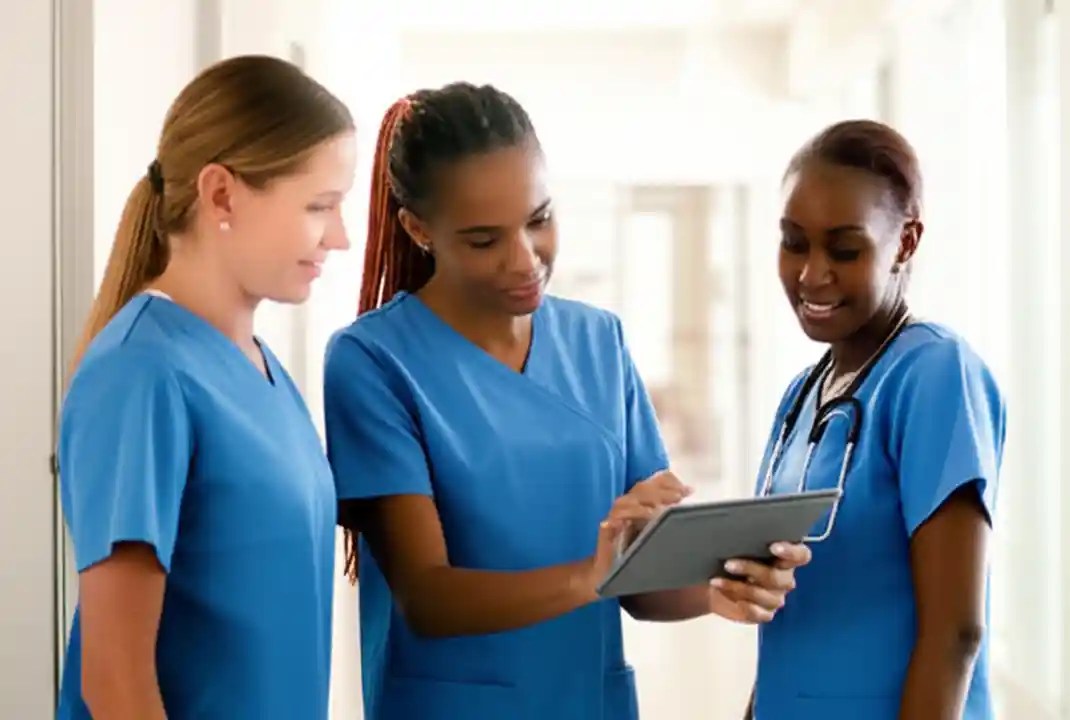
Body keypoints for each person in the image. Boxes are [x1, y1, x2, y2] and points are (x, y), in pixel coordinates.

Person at [322, 83, 811, 720]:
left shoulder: (599, 341)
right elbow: (428, 597)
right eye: (482, 240)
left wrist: (727, 584)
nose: (525, 259)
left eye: (539, 219)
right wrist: (594, 573)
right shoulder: (374, 361)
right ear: (419, 228)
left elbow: (641, 582)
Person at [56, 55, 356, 720]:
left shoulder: (263, 372)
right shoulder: (141, 376)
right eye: (320, 206)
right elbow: (115, 684)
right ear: (221, 194)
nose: (339, 236)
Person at [746, 120, 1007, 719]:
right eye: (793, 242)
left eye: (844, 249)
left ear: (906, 242)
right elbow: (788, 626)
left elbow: (956, 633)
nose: (812, 274)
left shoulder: (936, 374)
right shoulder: (801, 396)